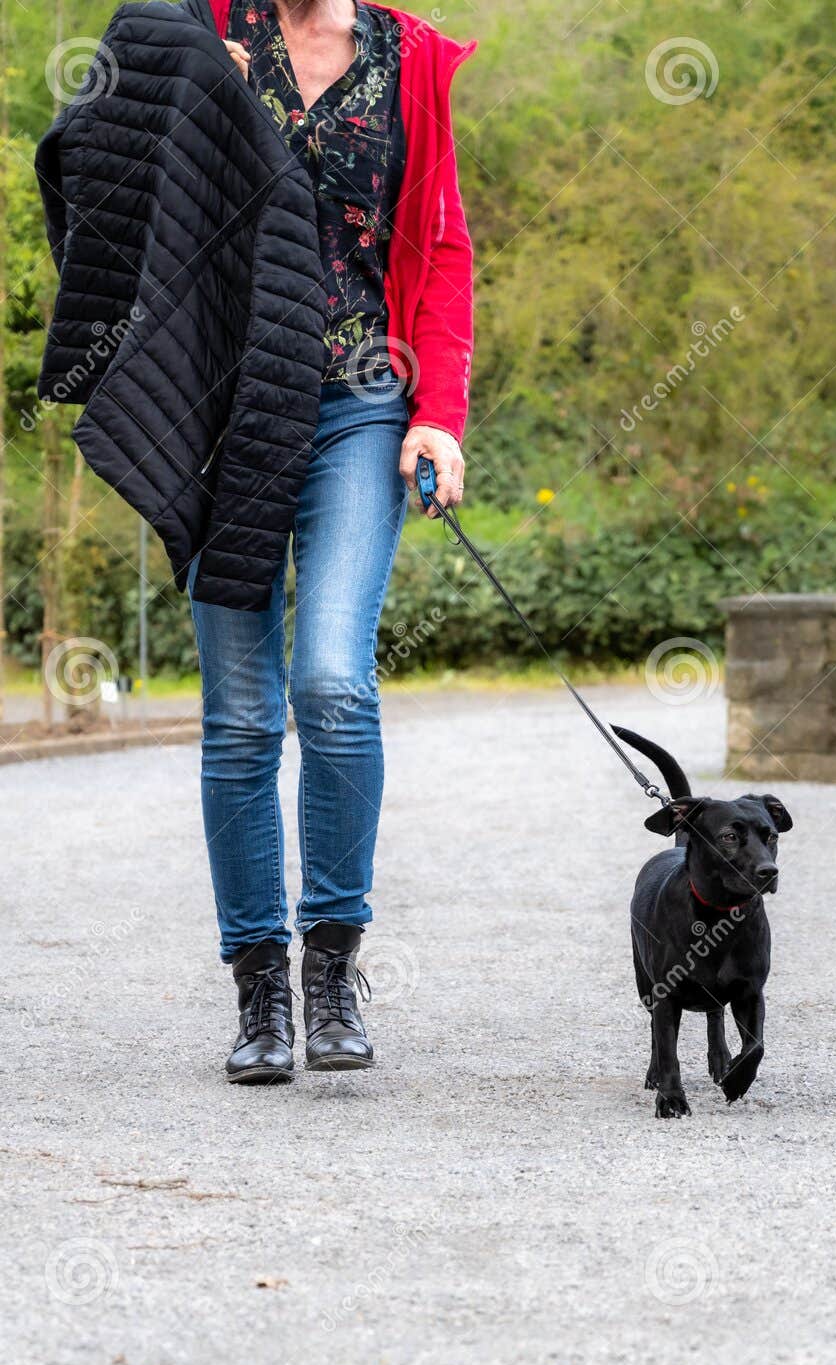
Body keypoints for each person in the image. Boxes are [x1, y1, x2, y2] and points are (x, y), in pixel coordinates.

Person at [194, 0, 475, 1083]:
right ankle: (258, 987)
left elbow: (441, 247)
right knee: (241, 713)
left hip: (361, 396)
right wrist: (185, 90)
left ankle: (330, 969)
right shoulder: (199, 25)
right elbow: (103, 173)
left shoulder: (411, 63)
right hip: (219, 408)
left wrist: (437, 411)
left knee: (332, 684)